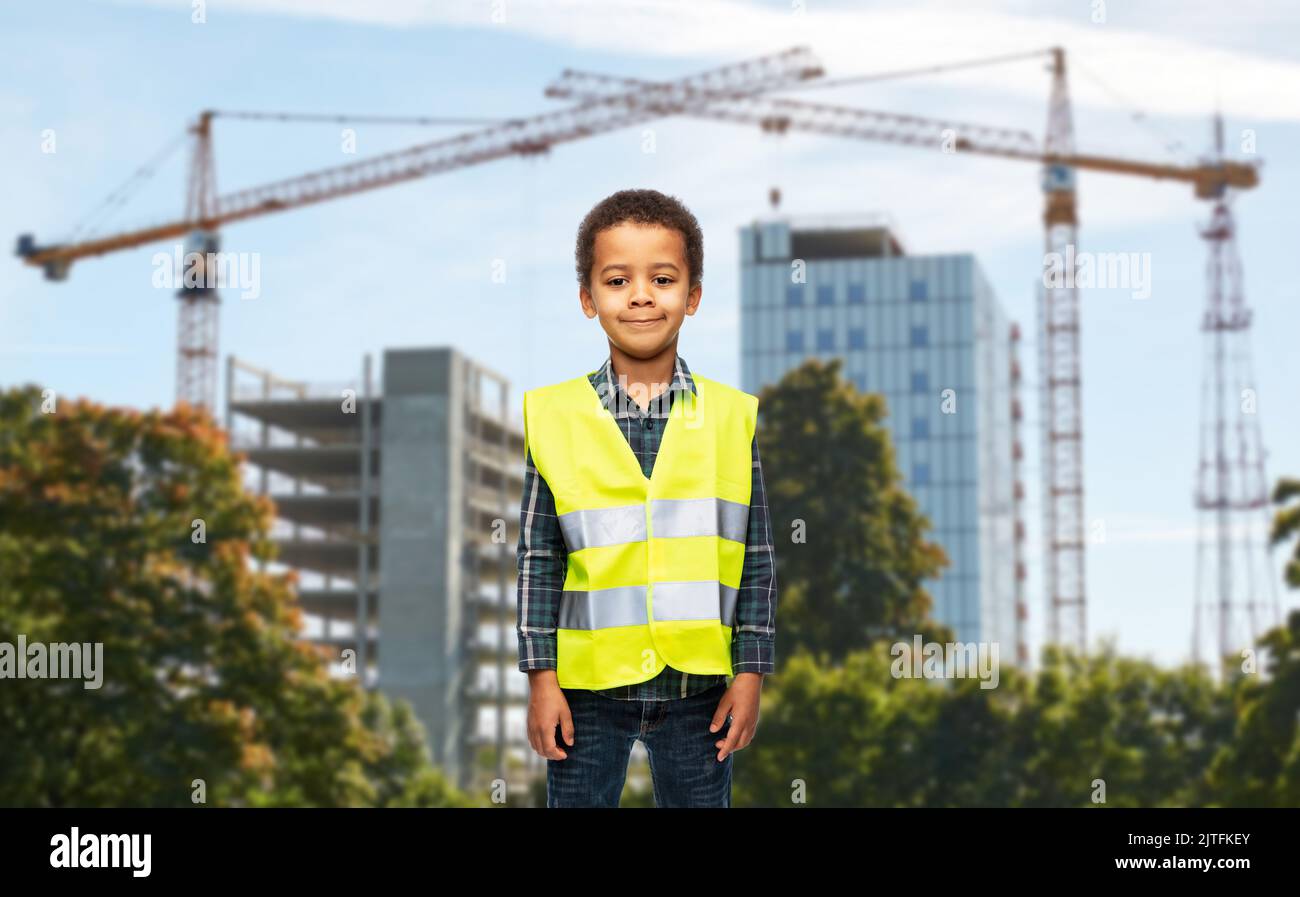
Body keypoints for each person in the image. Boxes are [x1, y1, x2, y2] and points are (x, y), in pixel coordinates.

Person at [516, 188, 777, 807]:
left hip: (700, 694)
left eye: (662, 278)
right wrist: (540, 678)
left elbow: (757, 554)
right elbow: (539, 559)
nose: (640, 296)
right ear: (588, 299)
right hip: (585, 694)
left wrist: (751, 670)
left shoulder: (732, 417)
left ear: (693, 296)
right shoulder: (552, 416)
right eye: (616, 280)